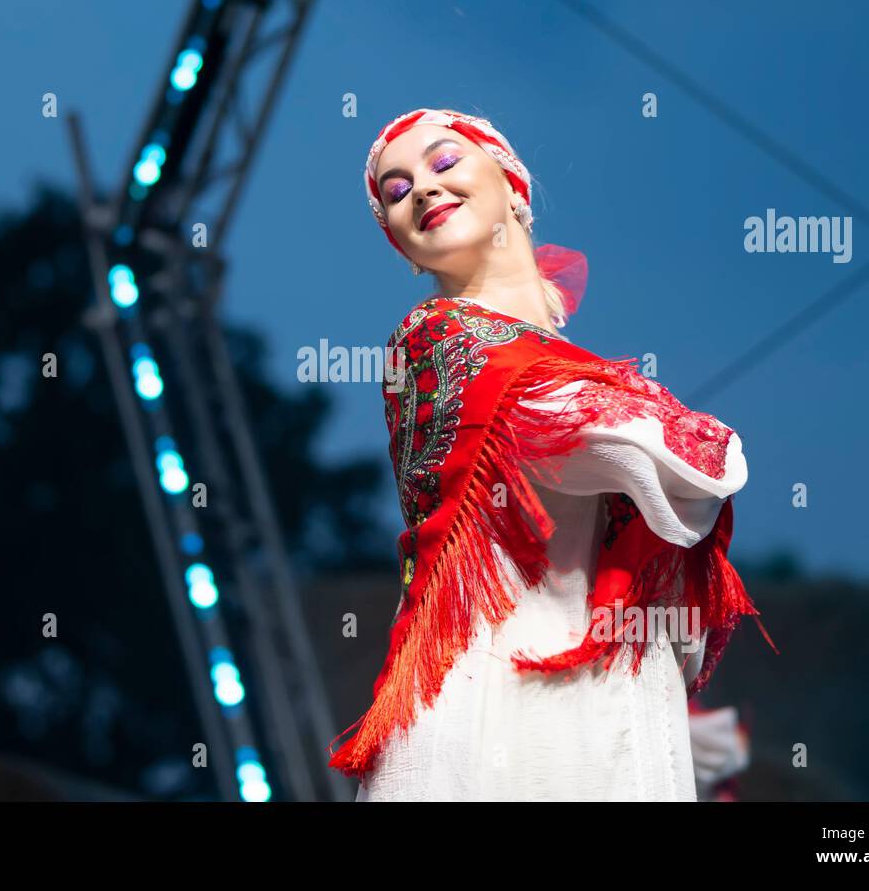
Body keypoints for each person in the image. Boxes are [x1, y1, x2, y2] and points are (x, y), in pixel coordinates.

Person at [329, 107, 775, 801]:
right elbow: (673, 460)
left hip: (597, 700)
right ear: (406, 249)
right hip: (494, 701)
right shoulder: (438, 340)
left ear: (513, 187)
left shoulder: (557, 365)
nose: (420, 188)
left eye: (444, 163)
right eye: (396, 190)